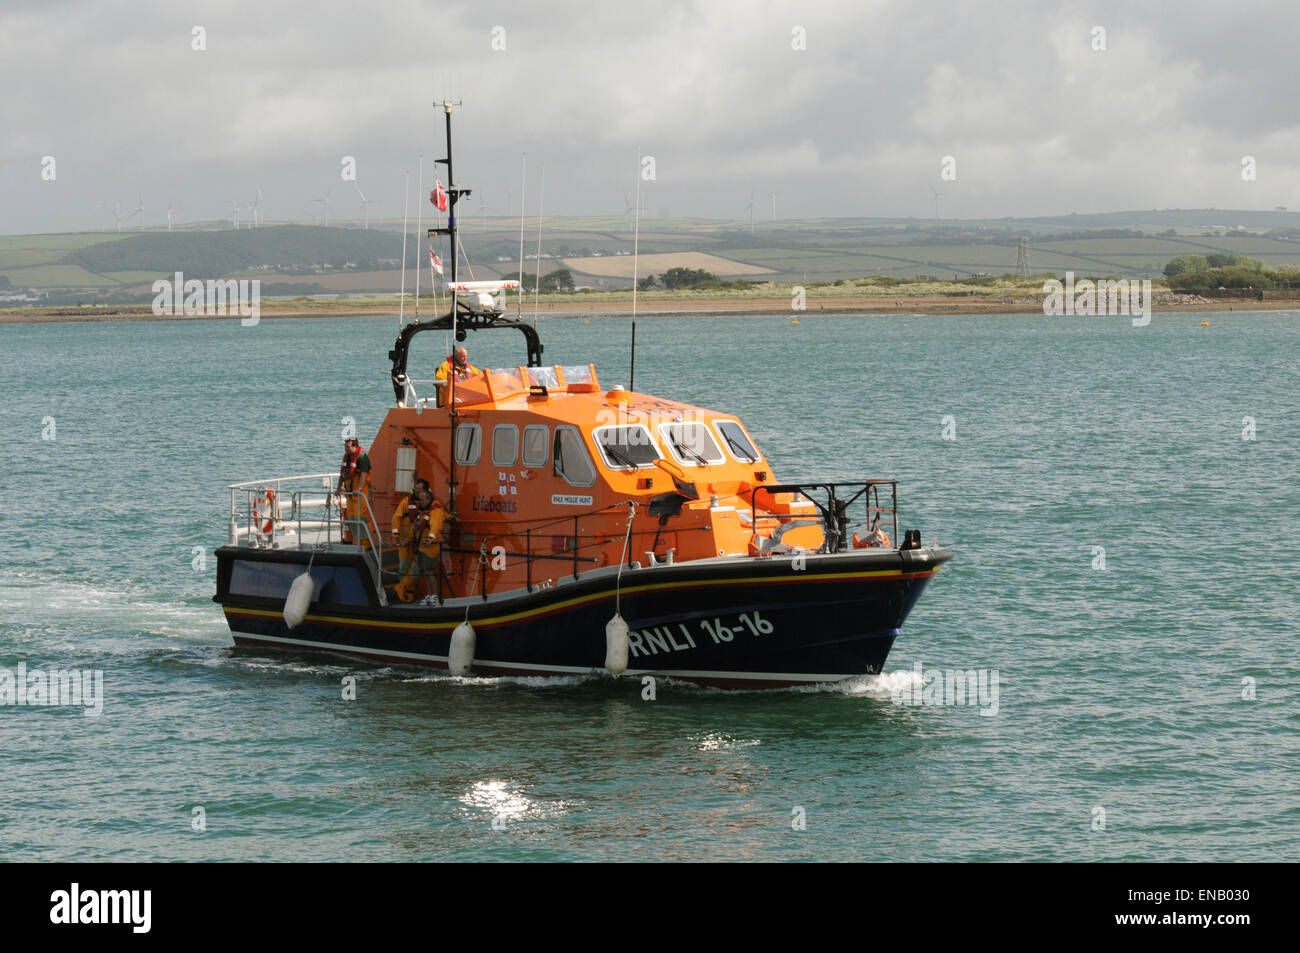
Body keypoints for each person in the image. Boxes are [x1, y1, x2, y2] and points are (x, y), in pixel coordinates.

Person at [393, 478, 451, 603]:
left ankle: (433, 595)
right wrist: (405, 540)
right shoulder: (422, 511)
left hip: (430, 547)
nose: (420, 500)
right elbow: (415, 528)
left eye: (423, 498)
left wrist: (430, 538)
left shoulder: (435, 511)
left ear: (427, 498)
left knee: (428, 572)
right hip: (421, 546)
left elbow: (435, 527)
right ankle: (424, 594)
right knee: (422, 571)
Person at [338, 437, 372, 545]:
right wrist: (338, 488)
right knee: (352, 517)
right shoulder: (347, 458)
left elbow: (364, 474)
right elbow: (342, 474)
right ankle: (355, 541)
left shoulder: (362, 458)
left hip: (360, 494)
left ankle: (366, 544)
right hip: (350, 494)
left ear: (355, 446)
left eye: (348, 447)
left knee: (361, 517)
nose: (346, 449)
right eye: (345, 447)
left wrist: (359, 489)